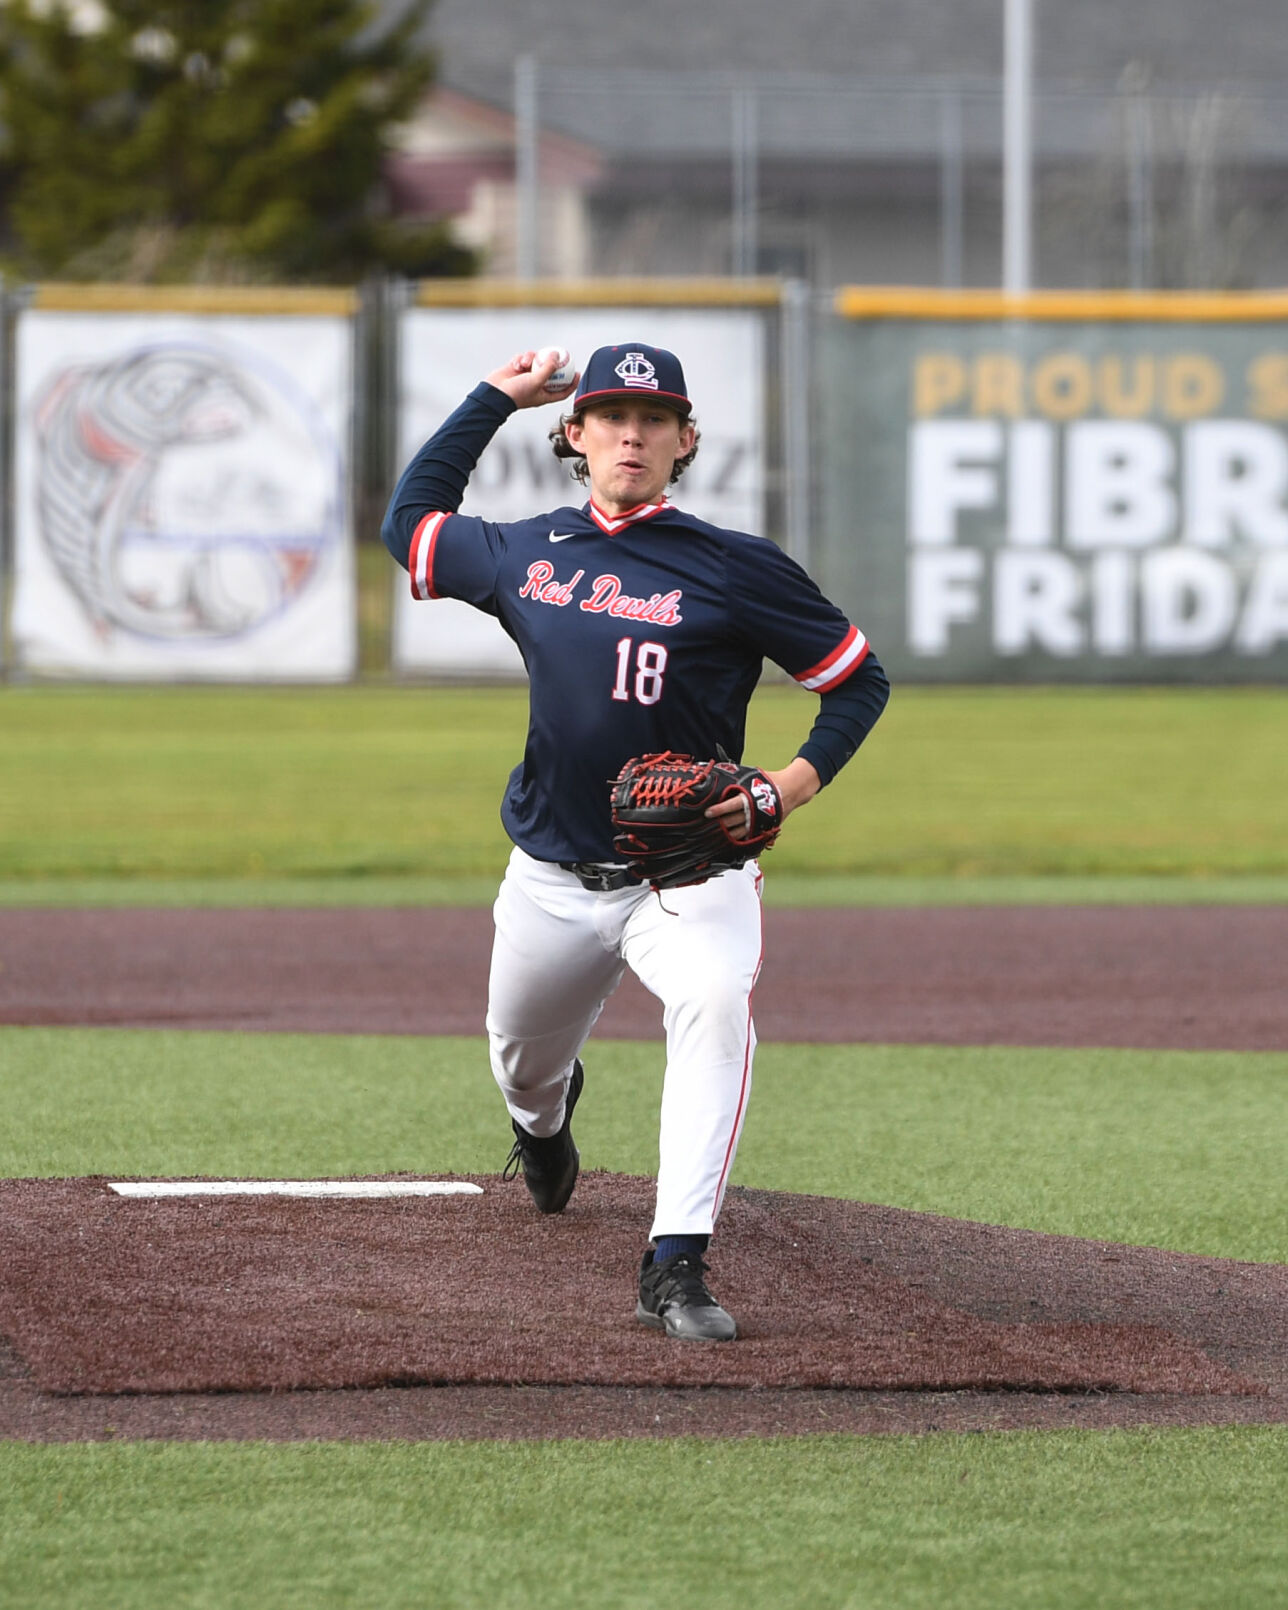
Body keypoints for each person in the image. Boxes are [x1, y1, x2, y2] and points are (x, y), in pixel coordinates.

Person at [382, 342, 889, 1342]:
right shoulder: (529, 549)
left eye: (654, 419)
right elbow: (411, 528)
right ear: (573, 435)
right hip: (551, 874)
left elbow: (855, 680)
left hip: (691, 869)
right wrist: (493, 397)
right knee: (521, 1065)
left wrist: (787, 786)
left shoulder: (737, 567)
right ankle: (545, 1125)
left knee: (712, 1004)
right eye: (610, 415)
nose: (631, 432)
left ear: (684, 439)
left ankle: (676, 1259)